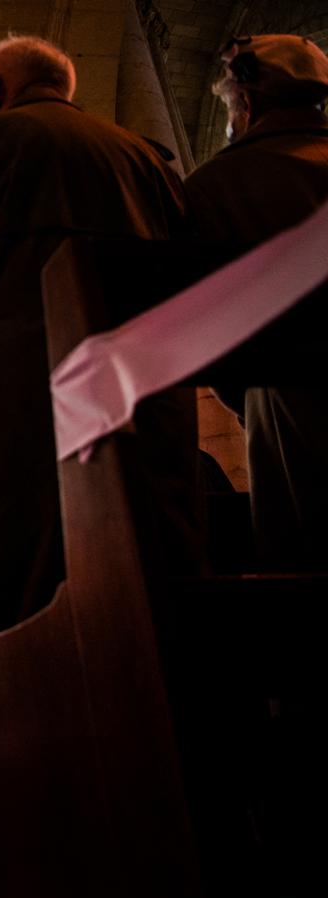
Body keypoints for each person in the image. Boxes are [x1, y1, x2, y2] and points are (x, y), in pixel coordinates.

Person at [0, 36, 187, 730]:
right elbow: (186, 286)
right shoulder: (148, 161)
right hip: (146, 414)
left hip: (10, 409)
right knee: (154, 600)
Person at [186, 34, 328, 574]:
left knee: (305, 564)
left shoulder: (217, 185)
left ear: (247, 102)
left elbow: (206, 327)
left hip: (288, 410)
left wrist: (250, 399)